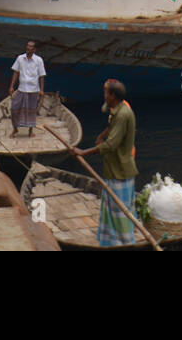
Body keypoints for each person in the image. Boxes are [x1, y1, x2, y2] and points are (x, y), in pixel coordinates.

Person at [72, 79, 138, 246]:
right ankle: (111, 240)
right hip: (114, 168)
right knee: (112, 208)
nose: (104, 96)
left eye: (106, 93)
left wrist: (84, 152)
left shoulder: (123, 114)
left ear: (112, 95)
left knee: (120, 210)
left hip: (121, 169)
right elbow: (111, 129)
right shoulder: (117, 110)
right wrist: (101, 136)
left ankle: (125, 242)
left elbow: (111, 144)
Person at [8, 40, 46, 137]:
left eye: (31, 47)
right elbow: (16, 72)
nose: (28, 48)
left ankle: (30, 131)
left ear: (34, 49)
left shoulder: (39, 60)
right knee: (14, 108)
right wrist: (11, 86)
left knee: (31, 110)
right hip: (21, 88)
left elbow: (41, 75)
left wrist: (41, 90)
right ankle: (15, 129)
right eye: (27, 46)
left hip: (33, 89)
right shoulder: (20, 58)